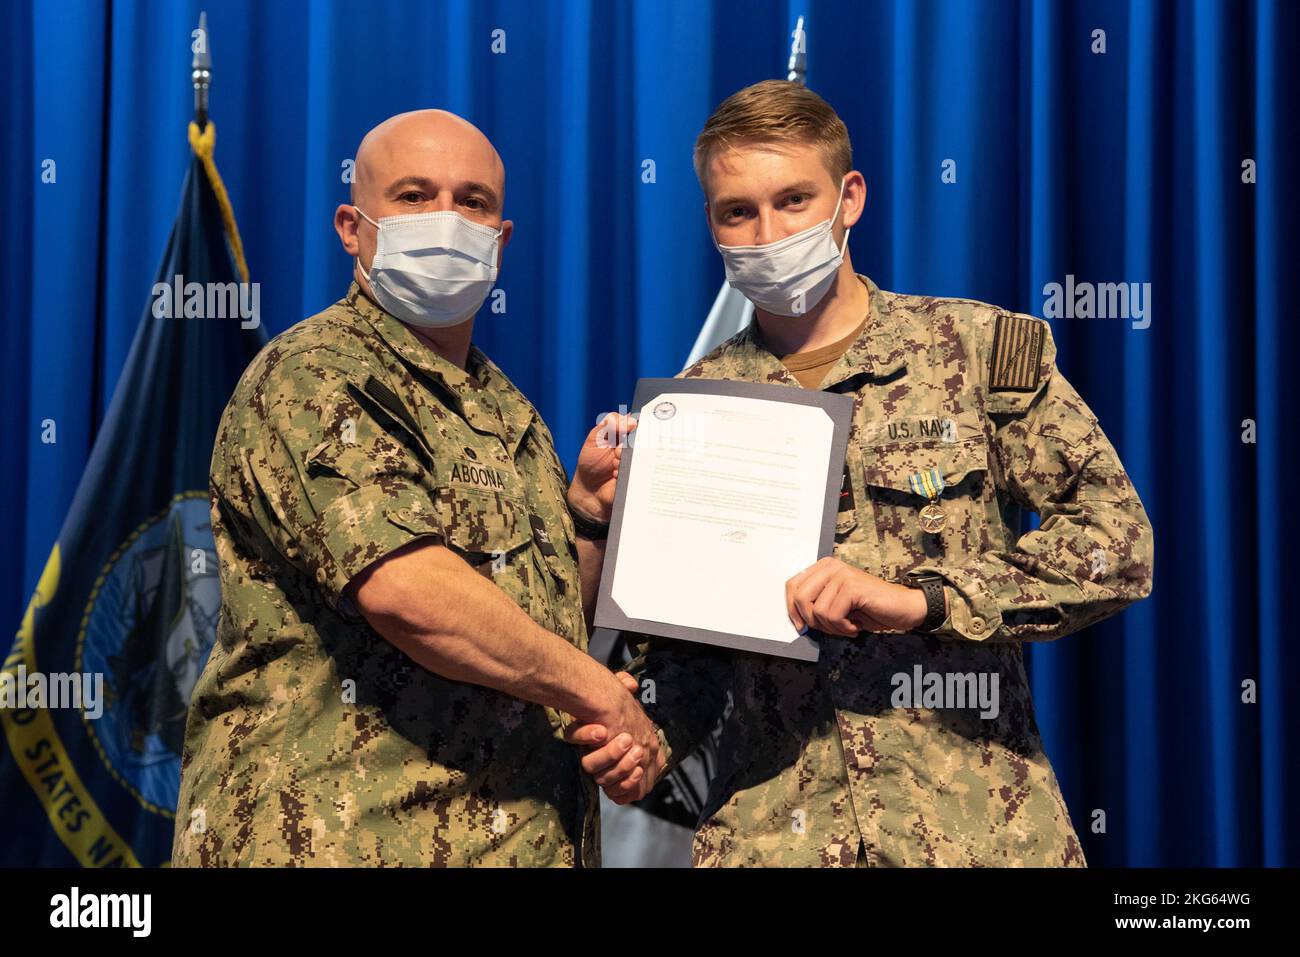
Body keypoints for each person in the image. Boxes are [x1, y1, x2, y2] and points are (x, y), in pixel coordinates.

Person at [571, 80, 1154, 867]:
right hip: (773, 841)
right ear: (711, 223)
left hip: (978, 832)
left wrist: (923, 600)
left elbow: (1118, 543)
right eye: (738, 212)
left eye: (793, 200)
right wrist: (645, 739)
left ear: (849, 198)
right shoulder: (693, 409)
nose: (768, 233)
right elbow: (686, 665)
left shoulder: (975, 350)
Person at [172, 109, 654, 867]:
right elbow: (407, 592)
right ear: (351, 227)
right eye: (413, 195)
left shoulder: (507, 409)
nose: (445, 219)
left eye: (472, 202)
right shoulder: (315, 374)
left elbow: (543, 623)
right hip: (338, 840)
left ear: (501, 238)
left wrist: (588, 520)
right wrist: (597, 692)